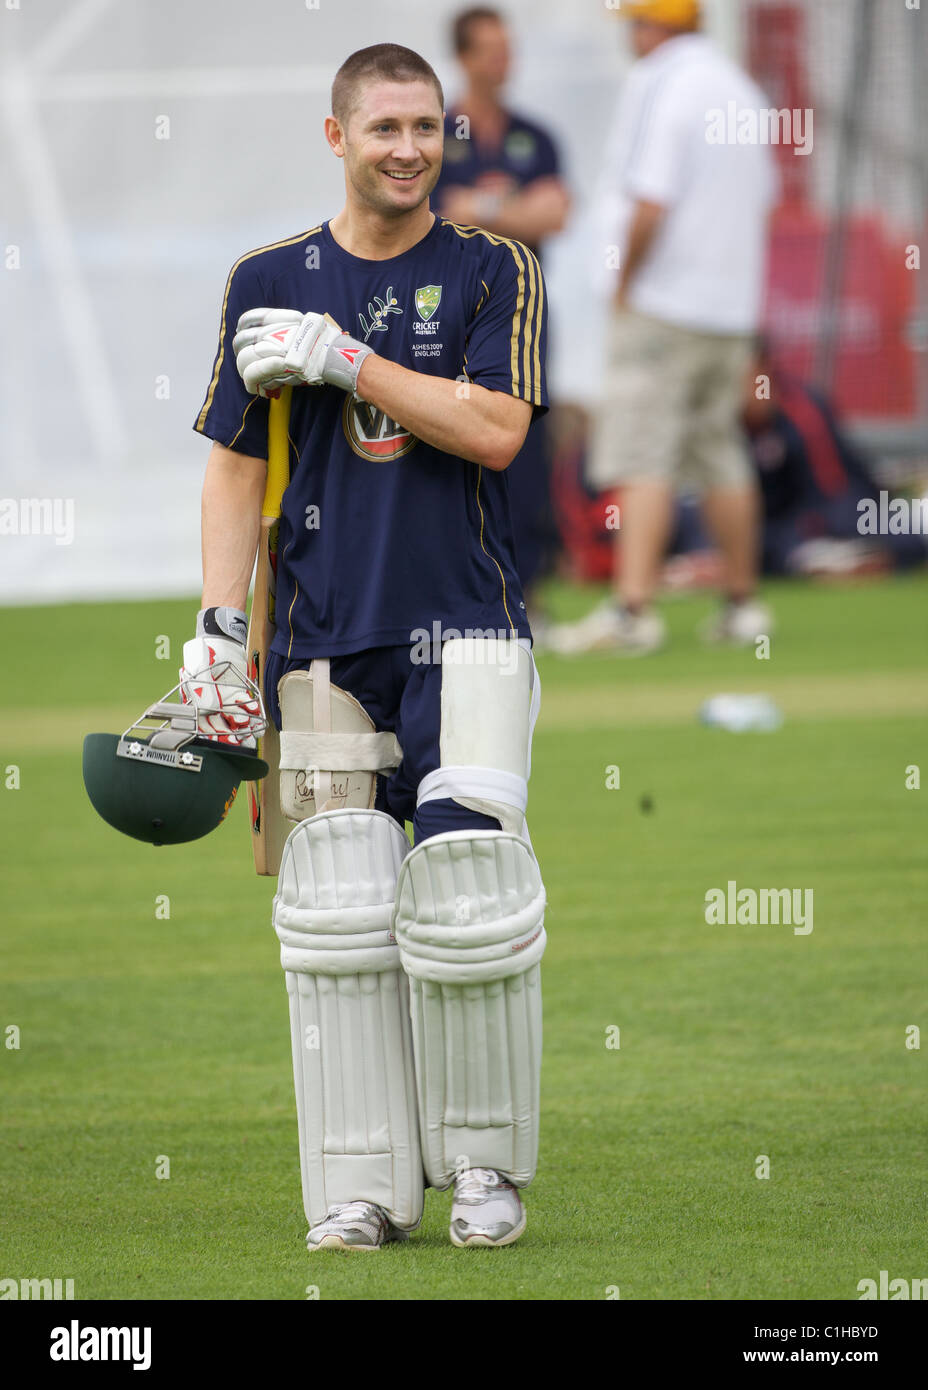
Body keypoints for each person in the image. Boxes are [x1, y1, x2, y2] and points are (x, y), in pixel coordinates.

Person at [185, 44, 549, 1251]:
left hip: (471, 638)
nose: (409, 148)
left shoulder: (493, 268)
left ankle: (484, 1171)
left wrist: (347, 360)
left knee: (468, 897)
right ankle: (361, 1186)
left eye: (427, 127)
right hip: (316, 650)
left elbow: (494, 430)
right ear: (336, 137)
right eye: (385, 127)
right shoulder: (264, 278)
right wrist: (216, 634)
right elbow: (235, 468)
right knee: (333, 915)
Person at [548, 0, 777, 655]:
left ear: (650, 25)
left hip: (665, 303)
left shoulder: (659, 82)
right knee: (720, 455)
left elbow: (650, 198)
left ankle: (631, 611)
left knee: (642, 453)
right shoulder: (740, 88)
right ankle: (742, 604)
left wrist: (623, 283)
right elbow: (758, 199)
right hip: (727, 308)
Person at [434, 6, 569, 618]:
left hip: (521, 316)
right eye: (489, 49)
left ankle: (527, 587)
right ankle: (453, 581)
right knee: (449, 437)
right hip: (450, 313)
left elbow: (554, 214)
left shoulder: (534, 137)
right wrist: (512, 207)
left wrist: (480, 208)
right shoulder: (435, 134)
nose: (502, 60)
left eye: (506, 48)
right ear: (464, 57)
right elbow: (436, 217)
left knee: (527, 442)